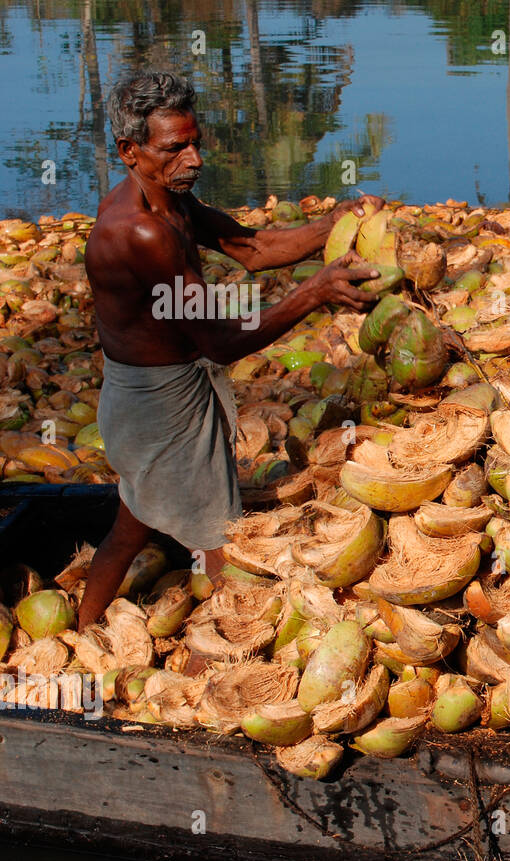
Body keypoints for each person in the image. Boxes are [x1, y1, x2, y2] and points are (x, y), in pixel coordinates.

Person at [77, 71, 384, 630]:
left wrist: (331, 224)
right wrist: (313, 293)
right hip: (154, 405)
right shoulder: (139, 232)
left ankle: (82, 628)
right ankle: (233, 655)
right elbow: (219, 339)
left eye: (195, 142)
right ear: (130, 151)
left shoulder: (169, 201)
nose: (193, 159)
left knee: (131, 527)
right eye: (175, 148)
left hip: (161, 391)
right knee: (221, 540)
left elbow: (255, 247)